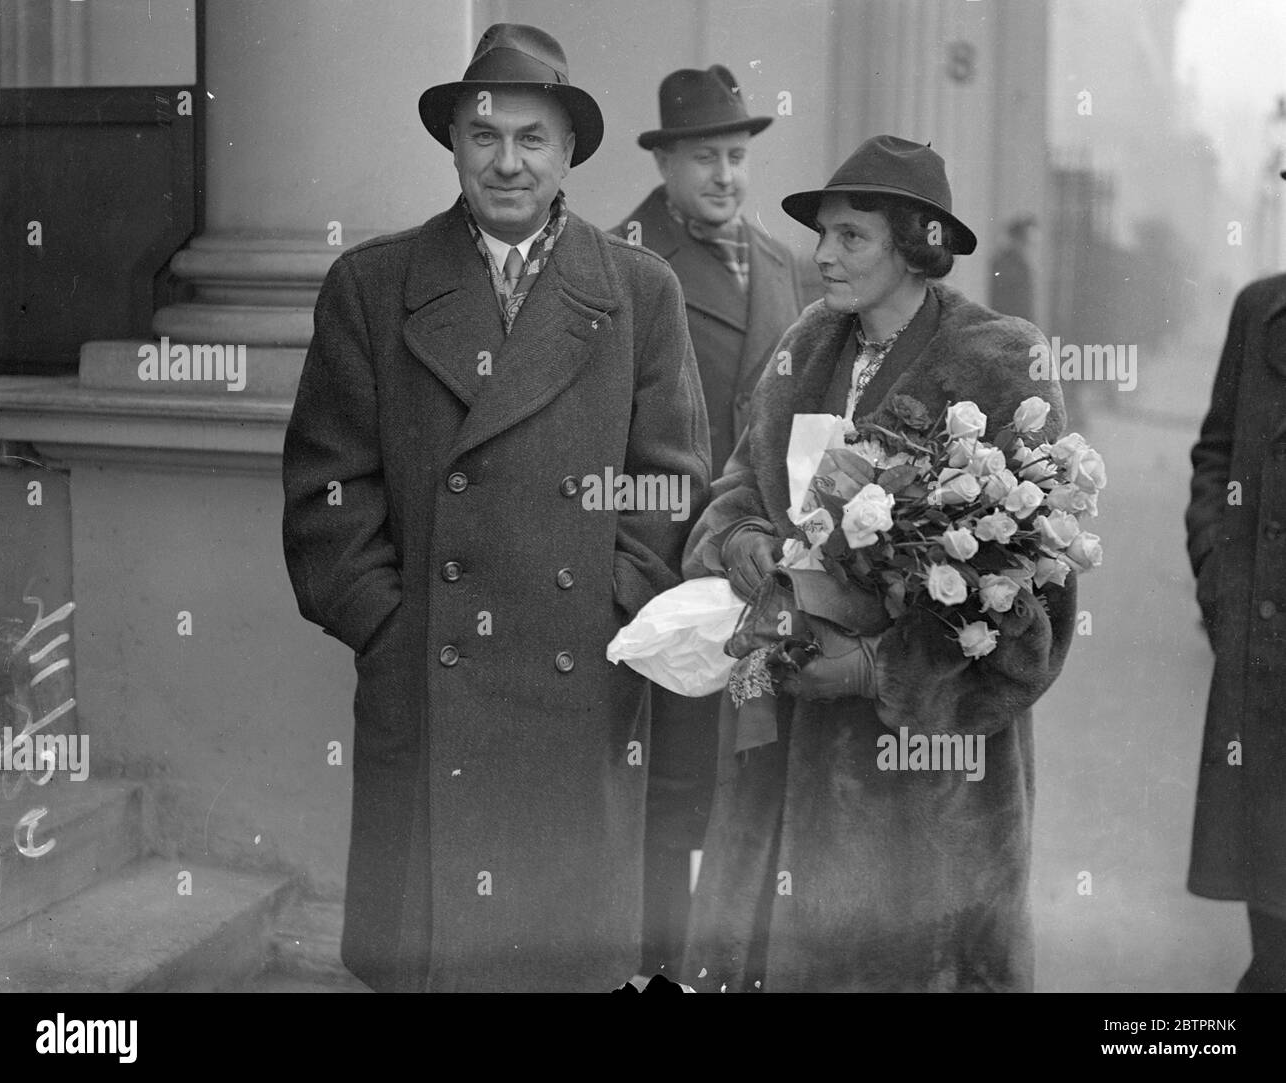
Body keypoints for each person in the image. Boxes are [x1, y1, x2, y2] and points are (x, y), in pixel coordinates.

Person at [281, 23, 710, 993]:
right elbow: (326, 494)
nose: (507, 162)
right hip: (431, 684)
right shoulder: (373, 285)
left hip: (580, 684)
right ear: (454, 146)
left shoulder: (640, 291)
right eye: (485, 137)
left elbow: (670, 484)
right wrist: (393, 628)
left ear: (567, 153)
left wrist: (614, 616)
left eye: (531, 139)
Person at [679, 135, 1077, 992]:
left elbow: (1035, 623)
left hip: (927, 792)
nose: (823, 254)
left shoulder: (999, 361)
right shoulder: (807, 346)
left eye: (851, 236)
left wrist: (869, 669)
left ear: (917, 243)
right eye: (822, 232)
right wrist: (754, 556)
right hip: (786, 753)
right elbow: (733, 496)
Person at [610, 64, 807, 978]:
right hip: (659, 564)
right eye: (704, 158)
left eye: (736, 155)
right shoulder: (622, 256)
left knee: (745, 774)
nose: (725, 176)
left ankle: (727, 966)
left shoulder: (783, 263)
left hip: (753, 564)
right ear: (667, 162)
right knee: (664, 786)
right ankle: (655, 971)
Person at [1185, 186, 1286, 992]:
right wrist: (1220, 576)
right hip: (1267, 665)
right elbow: (1215, 454)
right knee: (1276, 932)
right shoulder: (1261, 314)